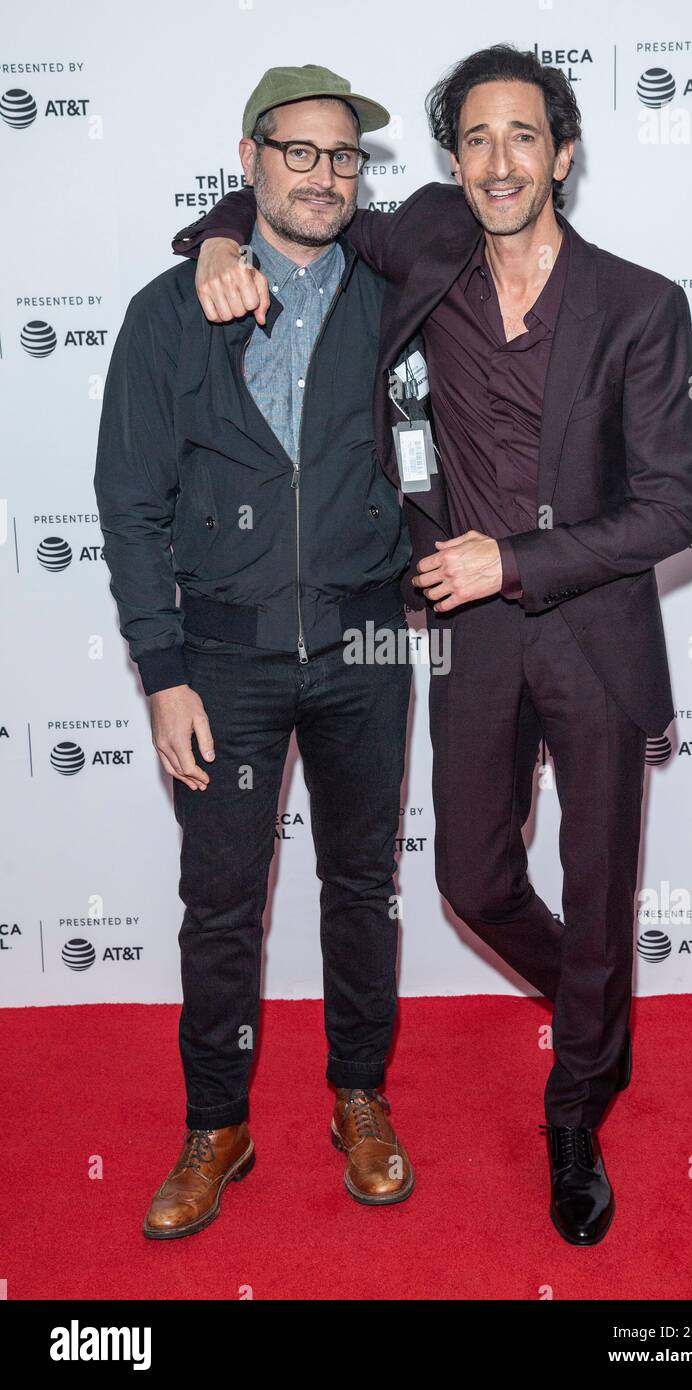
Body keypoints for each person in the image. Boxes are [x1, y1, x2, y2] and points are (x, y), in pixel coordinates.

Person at [171, 44, 692, 1246]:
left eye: (523, 136)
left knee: (597, 884)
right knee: (470, 878)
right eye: (474, 138)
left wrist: (507, 559)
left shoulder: (641, 303)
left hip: (595, 637)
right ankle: (594, 993)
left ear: (562, 154)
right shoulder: (422, 243)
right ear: (452, 160)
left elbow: (669, 511)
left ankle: (576, 1110)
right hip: (474, 643)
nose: (499, 161)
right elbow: (284, 193)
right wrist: (213, 239)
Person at [94, 65, 419, 1239]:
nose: (325, 177)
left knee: (363, 885)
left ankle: (359, 1097)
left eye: (345, 158)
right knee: (220, 902)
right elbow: (128, 502)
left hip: (367, 640)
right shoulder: (169, 312)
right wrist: (160, 666)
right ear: (250, 159)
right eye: (300, 154)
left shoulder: (400, 289)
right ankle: (217, 1124)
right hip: (219, 659)